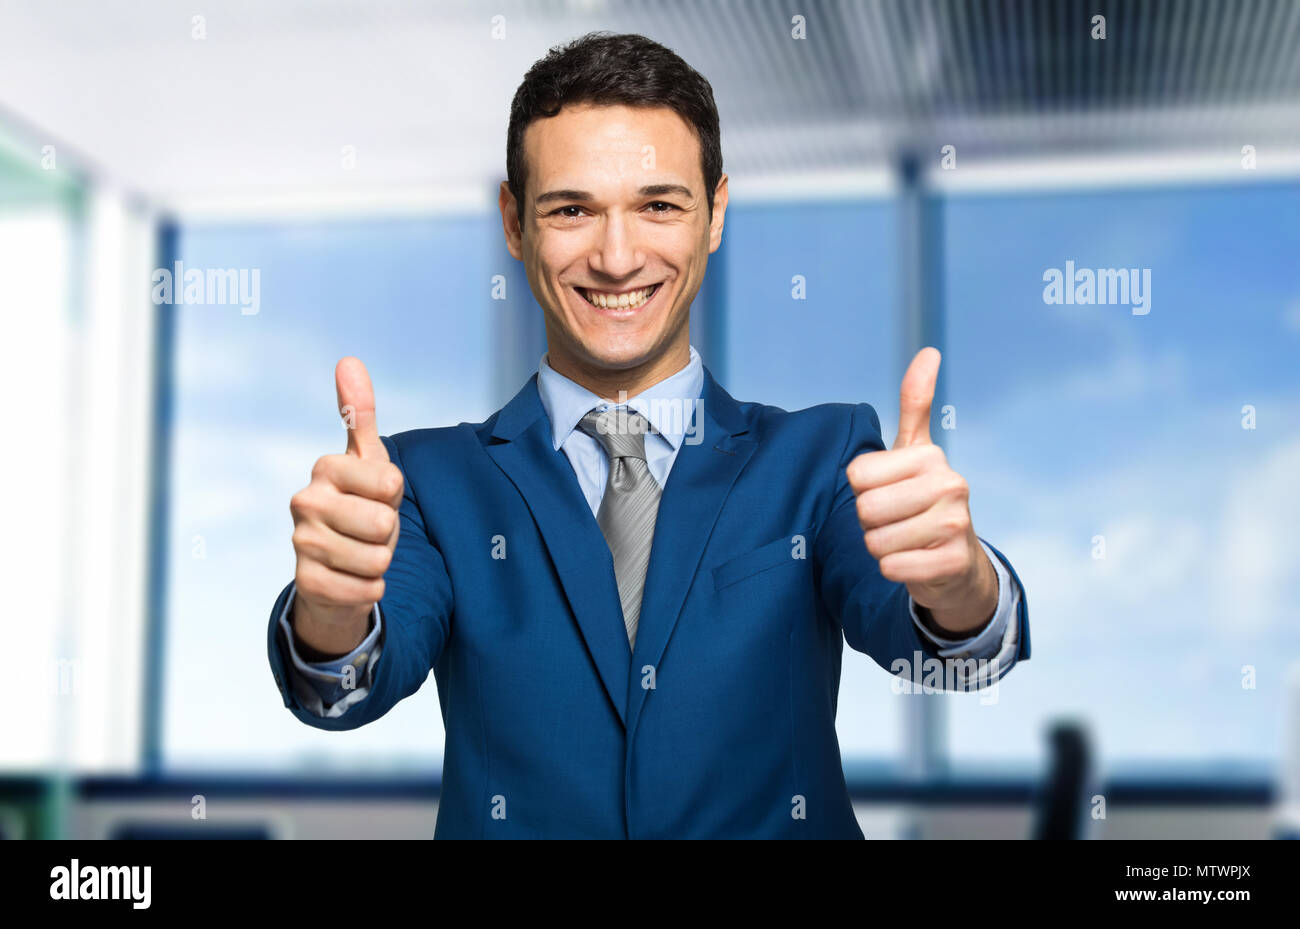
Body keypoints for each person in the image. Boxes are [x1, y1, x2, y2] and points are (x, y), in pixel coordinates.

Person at [268, 31, 1030, 838]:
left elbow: (958, 655)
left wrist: (959, 586)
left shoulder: (823, 458)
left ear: (715, 214)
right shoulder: (423, 480)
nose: (617, 257)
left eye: (659, 205)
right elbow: (343, 690)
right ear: (515, 222)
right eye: (572, 210)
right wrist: (331, 612)